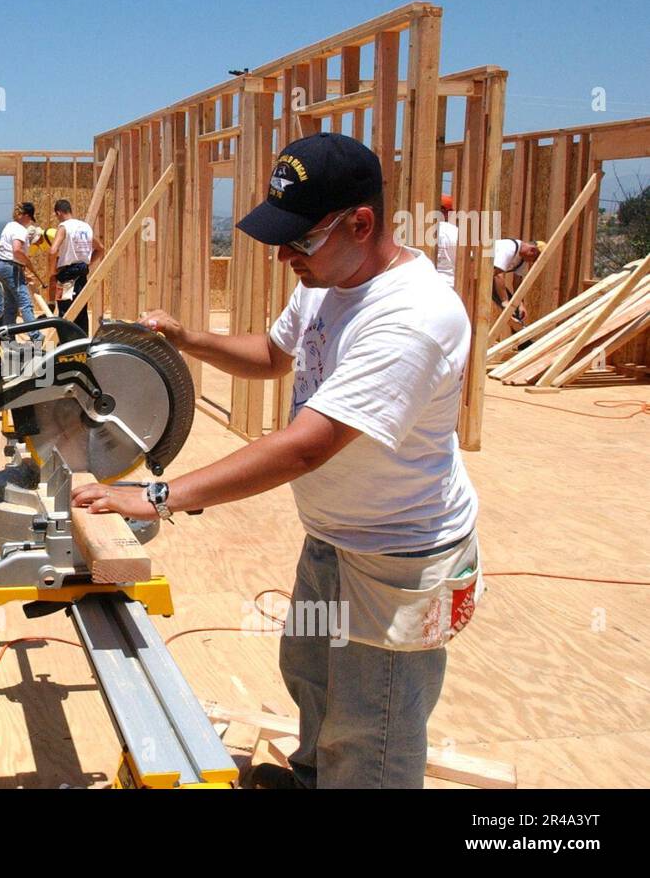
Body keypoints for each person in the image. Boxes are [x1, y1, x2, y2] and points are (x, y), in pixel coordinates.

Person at [73, 133, 482, 789]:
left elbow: (308, 444)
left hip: (399, 556)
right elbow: (272, 355)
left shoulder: (413, 316)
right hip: (334, 537)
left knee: (371, 729)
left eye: (302, 240)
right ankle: (310, 778)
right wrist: (189, 339)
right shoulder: (327, 281)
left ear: (362, 222)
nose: (287, 255)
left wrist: (157, 495)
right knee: (312, 677)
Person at [47, 198, 105, 331]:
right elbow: (100, 248)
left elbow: (53, 251)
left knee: (65, 313)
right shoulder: (85, 227)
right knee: (81, 311)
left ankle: (66, 345)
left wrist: (52, 272)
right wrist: (87, 264)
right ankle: (82, 345)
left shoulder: (64, 227)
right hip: (82, 274)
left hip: (66, 276)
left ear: (58, 213)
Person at [0, 202, 42, 344]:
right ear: (26, 216)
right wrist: (26, 261)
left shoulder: (9, 226)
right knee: (25, 303)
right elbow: (17, 250)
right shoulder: (20, 229)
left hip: (3, 266)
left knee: (10, 306)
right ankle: (36, 336)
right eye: (30, 219)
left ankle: (7, 337)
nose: (30, 222)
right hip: (12, 267)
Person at [492, 237, 542, 326]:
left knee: (514, 309)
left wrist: (520, 303)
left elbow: (517, 281)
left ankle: (519, 325)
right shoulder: (509, 248)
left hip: (489, 275)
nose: (532, 262)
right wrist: (504, 301)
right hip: (473, 266)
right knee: (506, 303)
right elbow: (498, 275)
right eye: (534, 259)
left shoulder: (522, 259)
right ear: (533, 251)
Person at [435, 194, 459, 289]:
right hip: (449, 286)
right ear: (446, 212)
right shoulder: (456, 232)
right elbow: (469, 259)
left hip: (426, 284)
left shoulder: (421, 231)